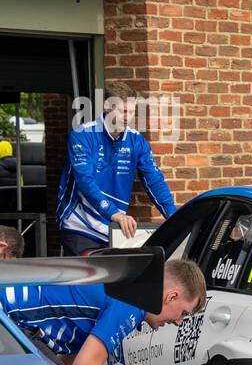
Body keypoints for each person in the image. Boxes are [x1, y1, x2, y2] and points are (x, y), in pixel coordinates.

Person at [0, 258, 206, 365]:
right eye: (183, 314)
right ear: (171, 296)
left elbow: (70, 364)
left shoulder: (131, 285)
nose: (179, 322)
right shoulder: (132, 303)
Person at [57, 81, 177, 256]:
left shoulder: (137, 141)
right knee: (88, 282)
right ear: (107, 107)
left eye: (132, 112)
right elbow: (85, 180)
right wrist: (114, 213)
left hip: (114, 228)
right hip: (80, 226)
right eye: (123, 111)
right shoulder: (82, 135)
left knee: (116, 282)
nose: (128, 117)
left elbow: (154, 179)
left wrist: (174, 217)